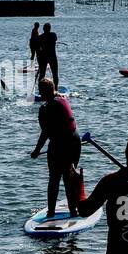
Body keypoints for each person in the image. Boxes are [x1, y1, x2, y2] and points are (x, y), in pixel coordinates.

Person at [29, 78, 82, 218]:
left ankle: (51, 212)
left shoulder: (46, 108)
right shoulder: (63, 99)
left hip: (61, 145)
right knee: (68, 176)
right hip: (75, 142)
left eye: (41, 92)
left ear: (43, 92)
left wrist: (36, 151)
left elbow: (45, 133)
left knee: (54, 178)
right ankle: (73, 210)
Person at [35, 21, 59, 86]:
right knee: (55, 74)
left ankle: (40, 90)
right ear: (50, 28)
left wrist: (39, 58)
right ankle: (55, 88)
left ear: (43, 29)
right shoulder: (53, 35)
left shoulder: (40, 37)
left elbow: (37, 49)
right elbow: (55, 39)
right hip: (52, 57)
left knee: (42, 74)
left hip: (43, 58)